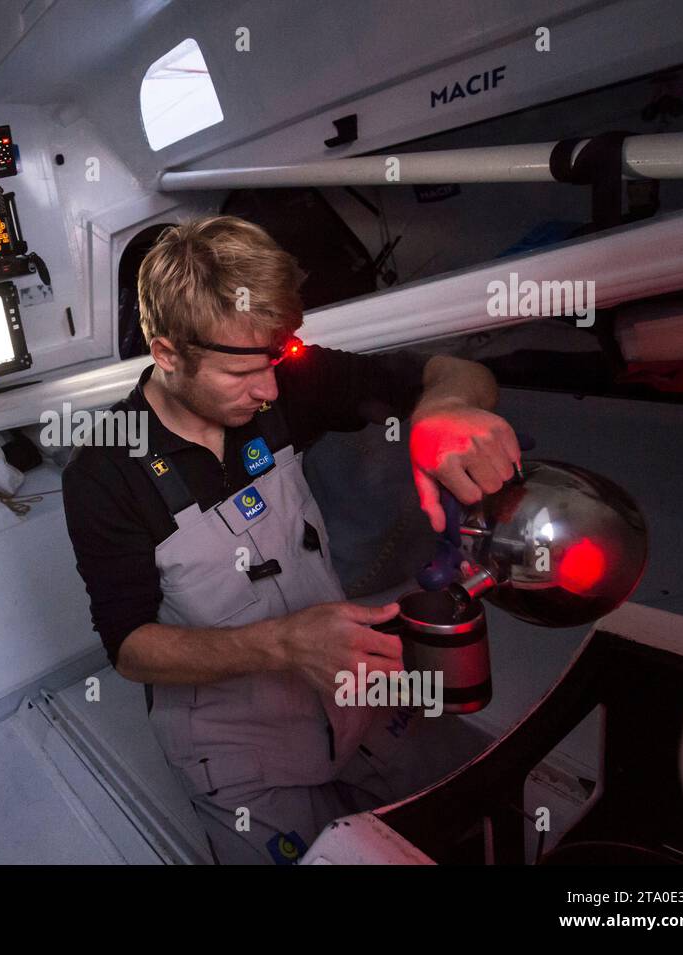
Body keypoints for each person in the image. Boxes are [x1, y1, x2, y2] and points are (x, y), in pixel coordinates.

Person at [60, 216, 520, 864]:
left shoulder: (281, 385)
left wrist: (443, 410)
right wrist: (281, 643)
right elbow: (130, 647)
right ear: (167, 354)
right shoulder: (105, 474)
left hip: (351, 694)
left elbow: (450, 369)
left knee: (470, 822)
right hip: (238, 749)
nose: (270, 388)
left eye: (276, 358)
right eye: (243, 371)